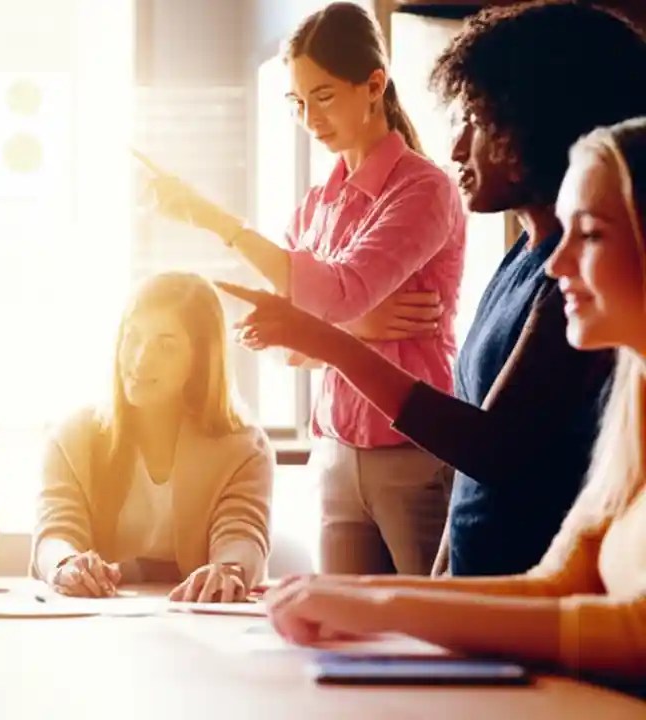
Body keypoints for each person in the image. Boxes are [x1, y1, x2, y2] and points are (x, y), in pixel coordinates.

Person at [219, 1, 646, 577]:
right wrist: (442, 579)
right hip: (476, 586)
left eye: (477, 118)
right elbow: (473, 484)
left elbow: (492, 450)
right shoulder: (523, 258)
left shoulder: (565, 283)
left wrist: (331, 342)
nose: (455, 147)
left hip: (511, 606)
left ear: (538, 122)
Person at [264, 115, 646, 689]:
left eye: (588, 236)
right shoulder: (632, 403)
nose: (556, 264)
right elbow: (554, 582)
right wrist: (351, 592)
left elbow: (631, 632)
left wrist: (383, 608)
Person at [145, 2, 465, 575]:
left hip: (412, 455)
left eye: (323, 96)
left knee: (429, 638)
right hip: (336, 452)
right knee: (340, 633)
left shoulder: (424, 190)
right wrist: (357, 325)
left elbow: (334, 295)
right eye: (297, 103)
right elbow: (292, 340)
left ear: (374, 85)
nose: (310, 118)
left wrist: (215, 220)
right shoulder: (319, 204)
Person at [32, 272, 273, 603]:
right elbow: (56, 532)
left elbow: (242, 532)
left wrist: (230, 569)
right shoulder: (72, 437)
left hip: (199, 621)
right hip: (101, 622)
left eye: (166, 345)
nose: (141, 359)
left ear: (200, 360)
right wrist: (65, 565)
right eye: (133, 338)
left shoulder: (244, 447)